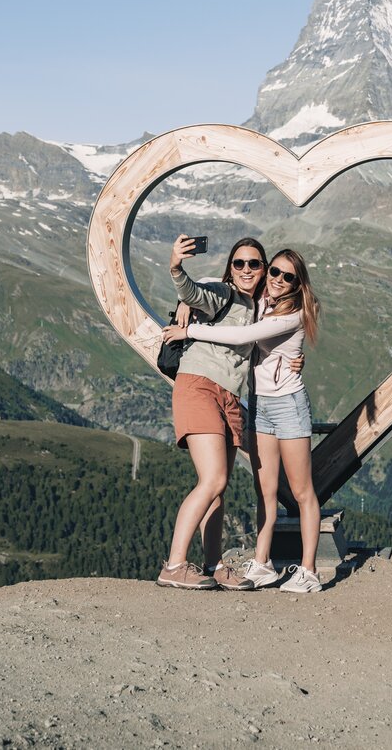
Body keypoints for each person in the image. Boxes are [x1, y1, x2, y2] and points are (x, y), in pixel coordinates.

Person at [163, 248, 323, 593]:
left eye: (287, 276)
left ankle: (308, 571)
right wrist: (182, 287)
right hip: (258, 403)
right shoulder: (258, 303)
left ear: (298, 283)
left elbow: (241, 338)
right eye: (275, 273)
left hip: (284, 404)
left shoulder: (291, 312)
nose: (278, 279)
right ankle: (261, 563)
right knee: (259, 489)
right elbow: (208, 286)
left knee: (299, 490)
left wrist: (190, 330)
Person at [155, 235, 265, 590]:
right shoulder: (221, 293)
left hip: (231, 397)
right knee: (213, 479)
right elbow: (193, 292)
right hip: (199, 385)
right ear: (230, 268)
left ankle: (214, 565)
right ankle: (173, 565)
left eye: (254, 264)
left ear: (263, 269)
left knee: (220, 489)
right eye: (239, 263)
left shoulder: (260, 306)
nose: (246, 269)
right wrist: (175, 267)